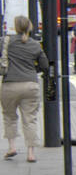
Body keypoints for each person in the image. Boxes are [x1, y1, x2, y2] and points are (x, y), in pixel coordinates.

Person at [1, 15, 49, 163]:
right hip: (30, 85)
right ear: (29, 27)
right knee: (30, 119)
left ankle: (12, 147)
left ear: (15, 27)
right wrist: (33, 70)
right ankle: (30, 153)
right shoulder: (35, 44)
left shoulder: (6, 41)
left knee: (9, 117)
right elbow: (45, 65)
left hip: (9, 84)